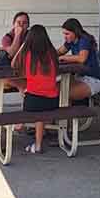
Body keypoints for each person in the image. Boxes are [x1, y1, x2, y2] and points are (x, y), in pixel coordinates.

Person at [12, 24, 59, 155]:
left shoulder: (27, 54)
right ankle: (37, 145)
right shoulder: (52, 53)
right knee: (39, 109)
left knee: (29, 95)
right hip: (53, 102)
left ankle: (20, 125)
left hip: (32, 103)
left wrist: (23, 45)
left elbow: (13, 64)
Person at [58, 18, 100, 100]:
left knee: (65, 93)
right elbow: (59, 51)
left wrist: (63, 58)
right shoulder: (70, 41)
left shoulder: (84, 39)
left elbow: (82, 58)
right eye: (64, 34)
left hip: (94, 80)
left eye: (67, 34)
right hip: (80, 77)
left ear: (75, 32)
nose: (65, 37)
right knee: (57, 88)